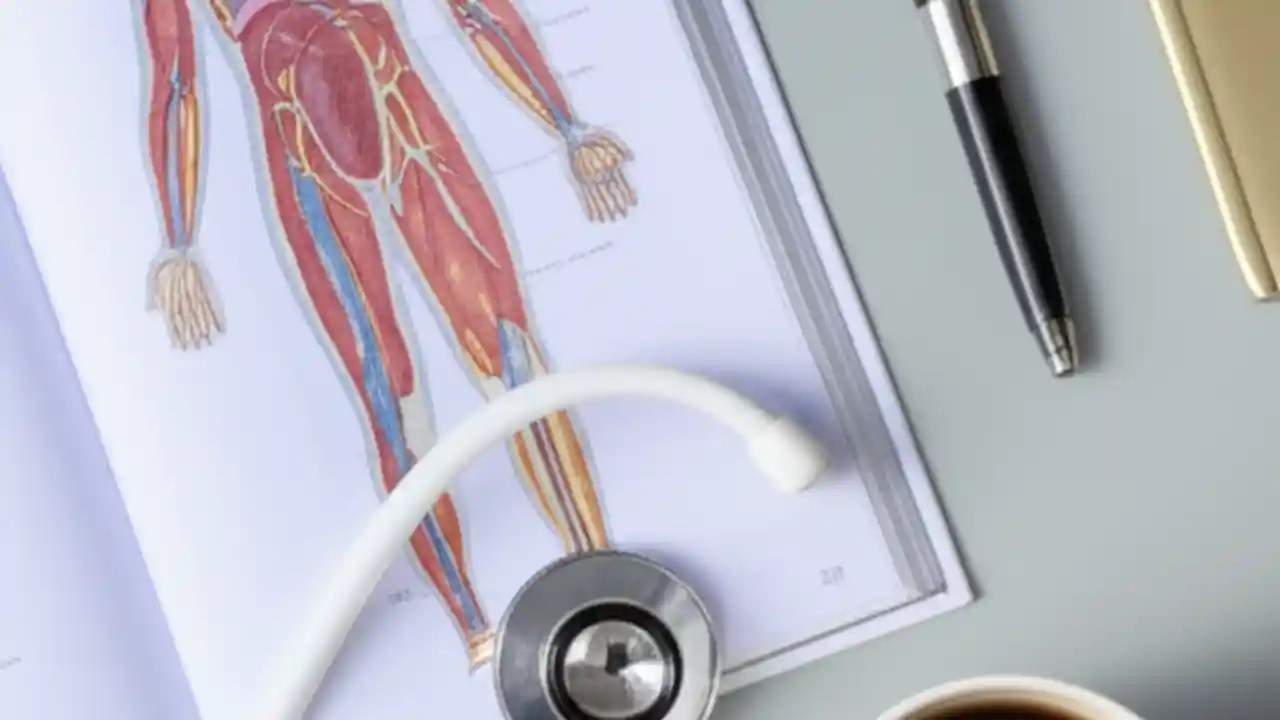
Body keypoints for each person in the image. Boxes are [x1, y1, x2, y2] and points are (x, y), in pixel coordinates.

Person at [137, 0, 637, 668]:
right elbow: (174, 80)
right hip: (311, 157)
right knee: (392, 395)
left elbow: (474, 9)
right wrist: (176, 240)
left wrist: (568, 125)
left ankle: (601, 578)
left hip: (395, 118)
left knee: (504, 349)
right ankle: (481, 635)